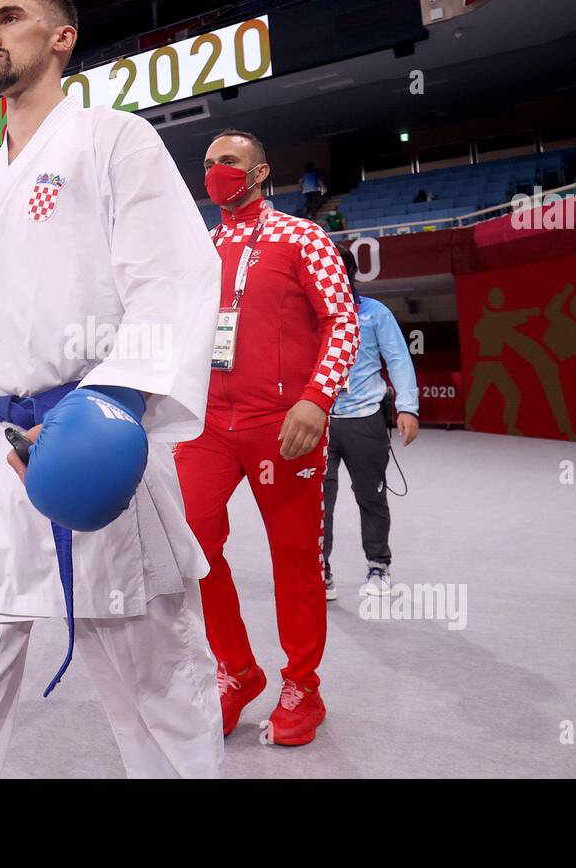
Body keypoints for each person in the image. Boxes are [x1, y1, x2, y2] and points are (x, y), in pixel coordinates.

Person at [0, 0, 223, 779]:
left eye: (9, 18)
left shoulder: (114, 139)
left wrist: (106, 407)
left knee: (159, 692)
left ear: (61, 37)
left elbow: (173, 279)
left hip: (92, 443)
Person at [174, 130, 359, 746]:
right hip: (206, 424)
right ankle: (238, 670)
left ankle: (302, 684)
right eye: (208, 164)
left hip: (281, 425)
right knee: (191, 546)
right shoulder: (199, 250)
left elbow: (341, 322)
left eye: (228, 162)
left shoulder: (302, 236)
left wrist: (315, 399)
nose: (216, 172)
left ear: (260, 173)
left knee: (294, 555)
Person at [322, 245, 419, 600]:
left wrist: (407, 407)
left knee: (372, 496)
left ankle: (379, 565)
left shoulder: (375, 313)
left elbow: (398, 359)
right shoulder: (309, 312)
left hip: (365, 419)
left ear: (347, 275)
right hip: (320, 420)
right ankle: (321, 567)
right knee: (318, 501)